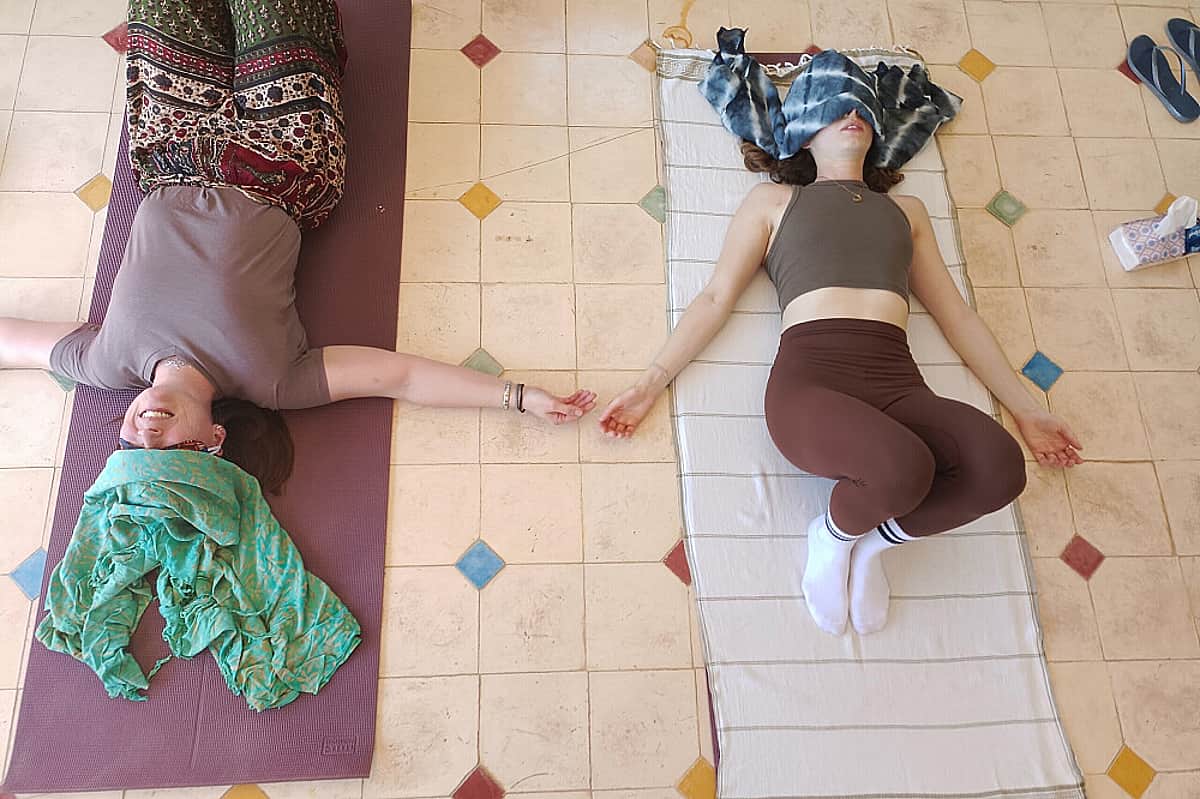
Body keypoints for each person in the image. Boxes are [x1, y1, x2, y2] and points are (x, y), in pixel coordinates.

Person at [0, 0, 595, 495]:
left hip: (172, 147)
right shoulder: (275, 382)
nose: (149, 435)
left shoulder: (105, 364)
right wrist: (519, 398)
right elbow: (402, 377)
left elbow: (11, 341)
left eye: (135, 450)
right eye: (172, 453)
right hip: (283, 161)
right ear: (213, 440)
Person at [598, 74, 1082, 636]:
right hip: (813, 384)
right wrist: (651, 381)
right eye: (830, 110)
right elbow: (714, 297)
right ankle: (830, 538)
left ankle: (871, 544)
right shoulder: (775, 200)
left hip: (898, 381)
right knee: (905, 469)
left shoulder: (908, 211)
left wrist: (1027, 410)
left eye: (861, 110)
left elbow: (957, 316)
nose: (850, 116)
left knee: (1000, 469)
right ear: (803, 137)